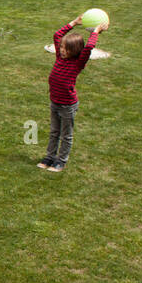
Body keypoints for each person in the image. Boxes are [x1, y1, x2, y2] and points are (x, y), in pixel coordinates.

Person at [39, 14, 108, 172]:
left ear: (75, 51)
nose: (61, 50)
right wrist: (74, 23)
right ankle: (49, 157)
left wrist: (95, 31)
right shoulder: (59, 58)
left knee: (66, 135)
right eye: (61, 48)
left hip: (67, 105)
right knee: (54, 131)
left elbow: (89, 47)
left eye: (65, 49)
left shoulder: (78, 63)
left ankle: (61, 161)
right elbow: (57, 35)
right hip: (54, 102)